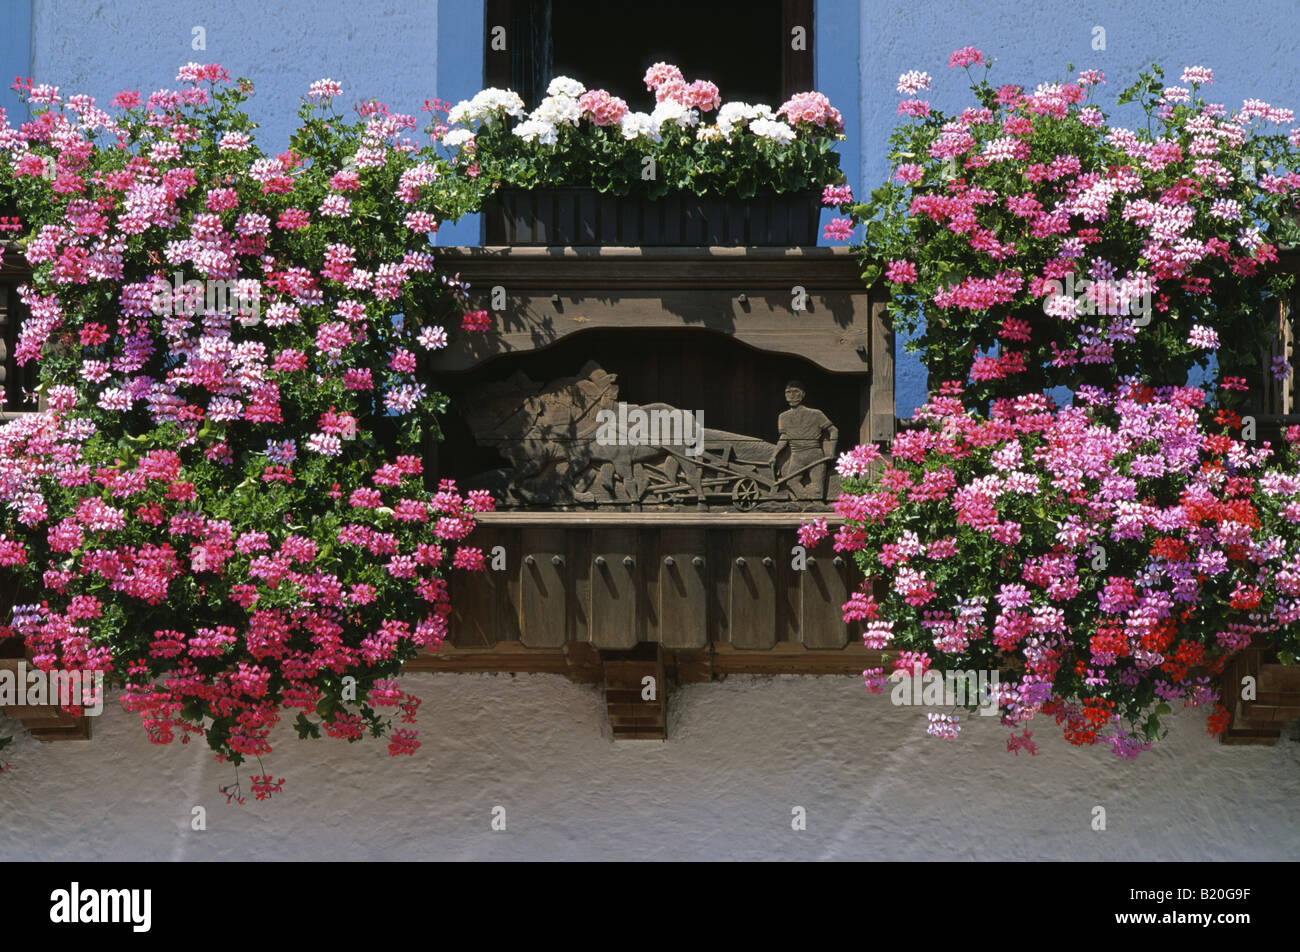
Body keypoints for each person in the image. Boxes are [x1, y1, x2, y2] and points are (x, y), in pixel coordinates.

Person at [772, 380, 837, 500]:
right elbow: (784, 437)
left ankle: (816, 504)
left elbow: (833, 430)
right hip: (797, 455)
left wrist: (832, 451)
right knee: (791, 481)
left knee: (818, 488)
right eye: (788, 392)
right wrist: (774, 455)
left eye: (796, 392)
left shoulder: (816, 414)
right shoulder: (783, 417)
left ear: (803, 394)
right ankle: (805, 500)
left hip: (815, 454)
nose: (791, 395)